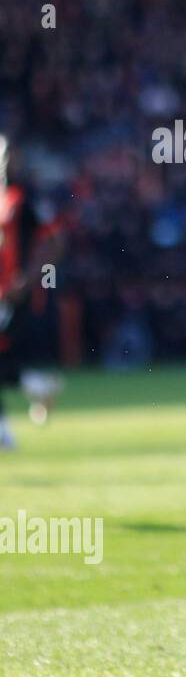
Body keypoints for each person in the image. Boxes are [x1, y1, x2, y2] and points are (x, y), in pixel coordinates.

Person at [0, 135, 63, 449]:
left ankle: (5, 432)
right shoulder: (2, 198)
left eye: (10, 154)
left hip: (16, 294)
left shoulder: (25, 198)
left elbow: (54, 241)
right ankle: (37, 386)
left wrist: (29, 277)